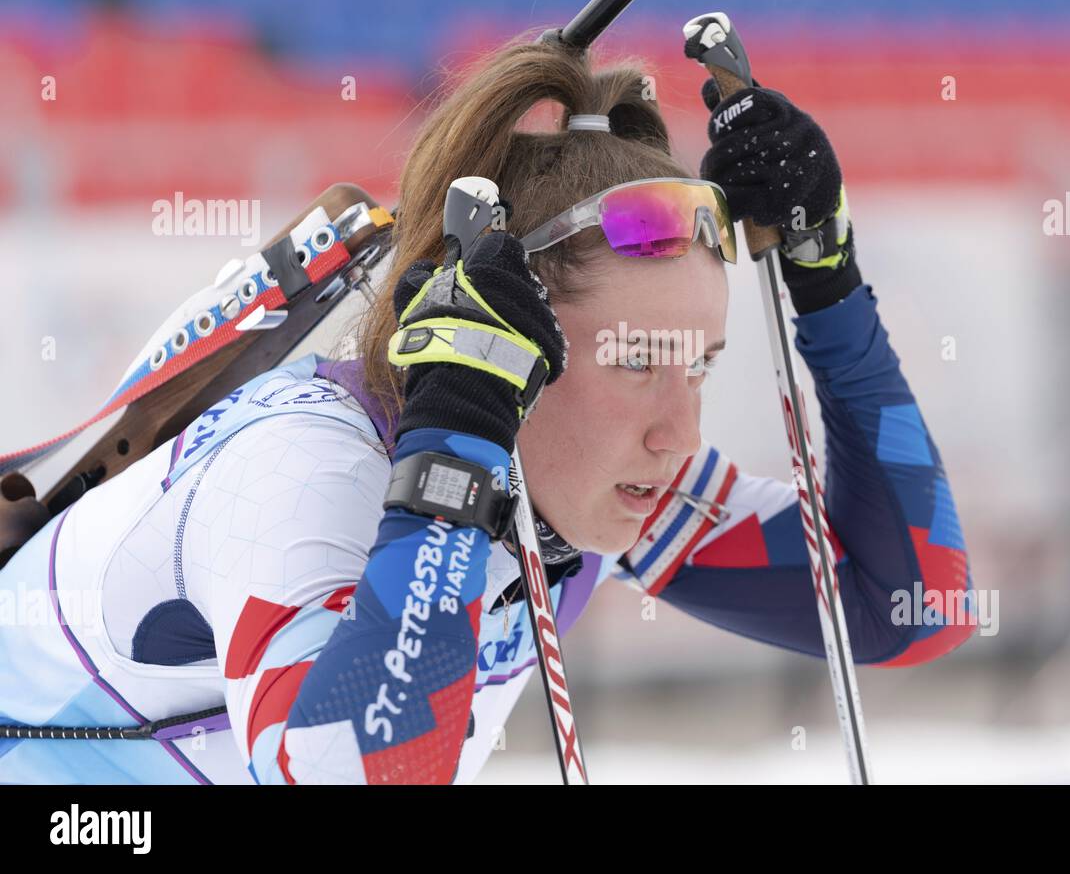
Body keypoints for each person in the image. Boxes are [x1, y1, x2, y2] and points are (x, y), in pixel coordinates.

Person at [0, 39, 973, 784]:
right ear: (517, 345)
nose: (679, 429)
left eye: (699, 366)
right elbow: (350, 768)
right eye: (637, 361)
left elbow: (907, 605)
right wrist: (461, 435)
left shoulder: (575, 472)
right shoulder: (303, 468)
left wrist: (830, 288)